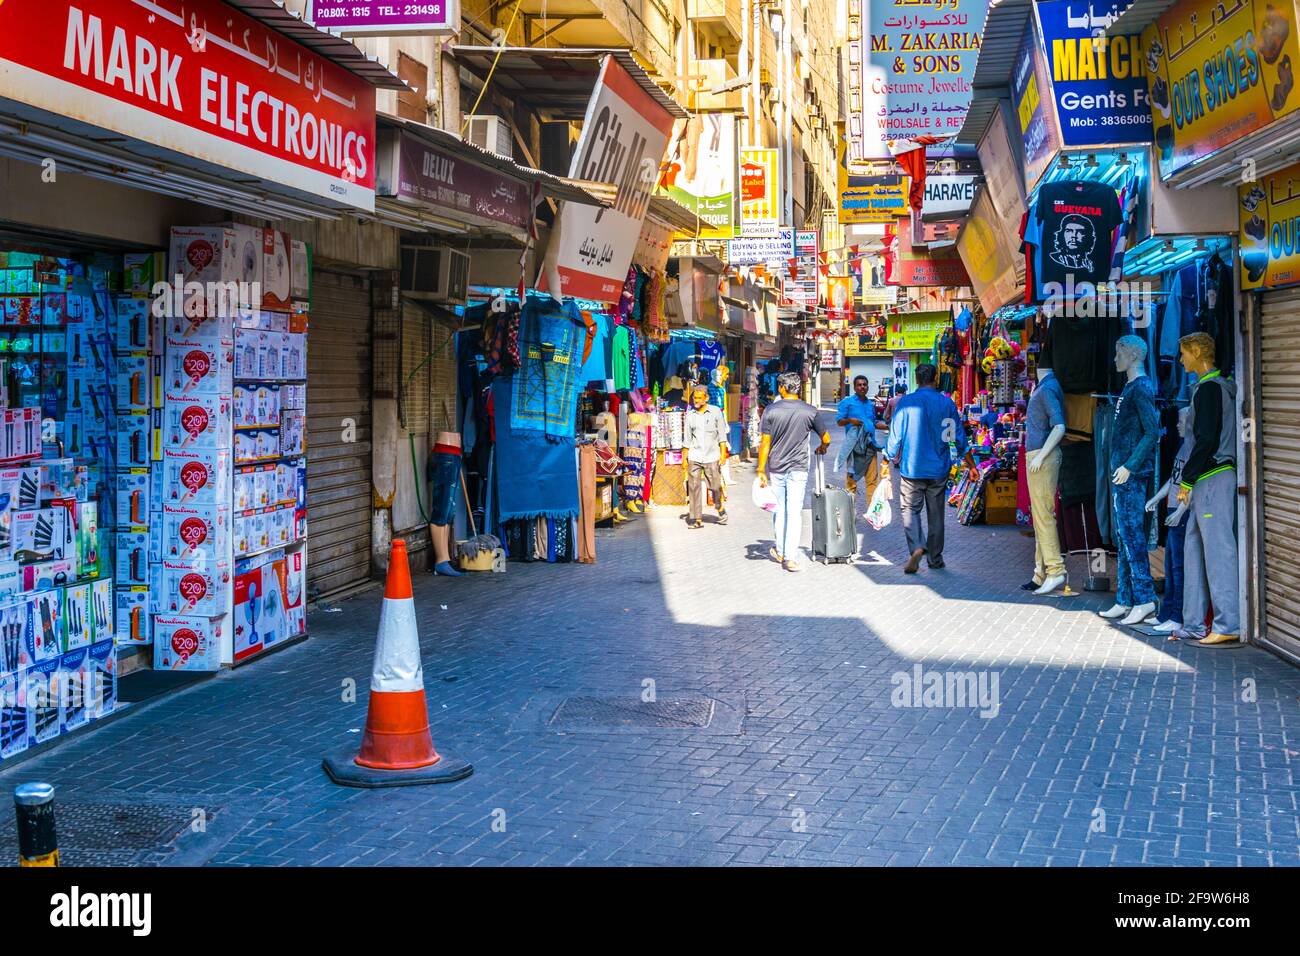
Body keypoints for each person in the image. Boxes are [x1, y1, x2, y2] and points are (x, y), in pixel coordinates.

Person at [883, 363, 978, 574]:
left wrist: (885, 459)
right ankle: (935, 559)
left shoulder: (906, 402)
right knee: (936, 516)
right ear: (935, 378)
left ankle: (917, 546)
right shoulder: (946, 403)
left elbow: (895, 435)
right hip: (939, 469)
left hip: (912, 470)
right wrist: (971, 465)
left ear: (916, 379)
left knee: (909, 510)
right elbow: (958, 437)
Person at [757, 371, 831, 572]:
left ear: (782, 387)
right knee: (794, 512)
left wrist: (760, 469)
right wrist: (822, 448)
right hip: (799, 468)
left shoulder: (770, 411)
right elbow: (826, 438)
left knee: (779, 509)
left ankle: (781, 550)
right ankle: (789, 557)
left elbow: (765, 443)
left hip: (777, 467)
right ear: (797, 388)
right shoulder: (810, 411)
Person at [682, 385, 729, 530]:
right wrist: (685, 458)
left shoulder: (715, 412)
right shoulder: (690, 415)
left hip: (712, 455)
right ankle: (697, 519)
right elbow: (687, 439)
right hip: (695, 456)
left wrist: (722, 455)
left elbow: (722, 436)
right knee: (694, 486)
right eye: (694, 398)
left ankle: (719, 506)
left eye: (699, 398)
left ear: (706, 398)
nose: (696, 400)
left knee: (714, 486)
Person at [836, 374, 881, 510]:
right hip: (854, 448)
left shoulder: (870, 404)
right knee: (851, 481)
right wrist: (850, 420)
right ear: (854, 387)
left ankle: (872, 512)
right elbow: (839, 421)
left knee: (872, 480)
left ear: (867, 387)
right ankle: (849, 511)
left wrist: (887, 426)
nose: (862, 387)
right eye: (859, 385)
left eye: (864, 385)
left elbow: (873, 422)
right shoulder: (847, 402)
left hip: (870, 446)